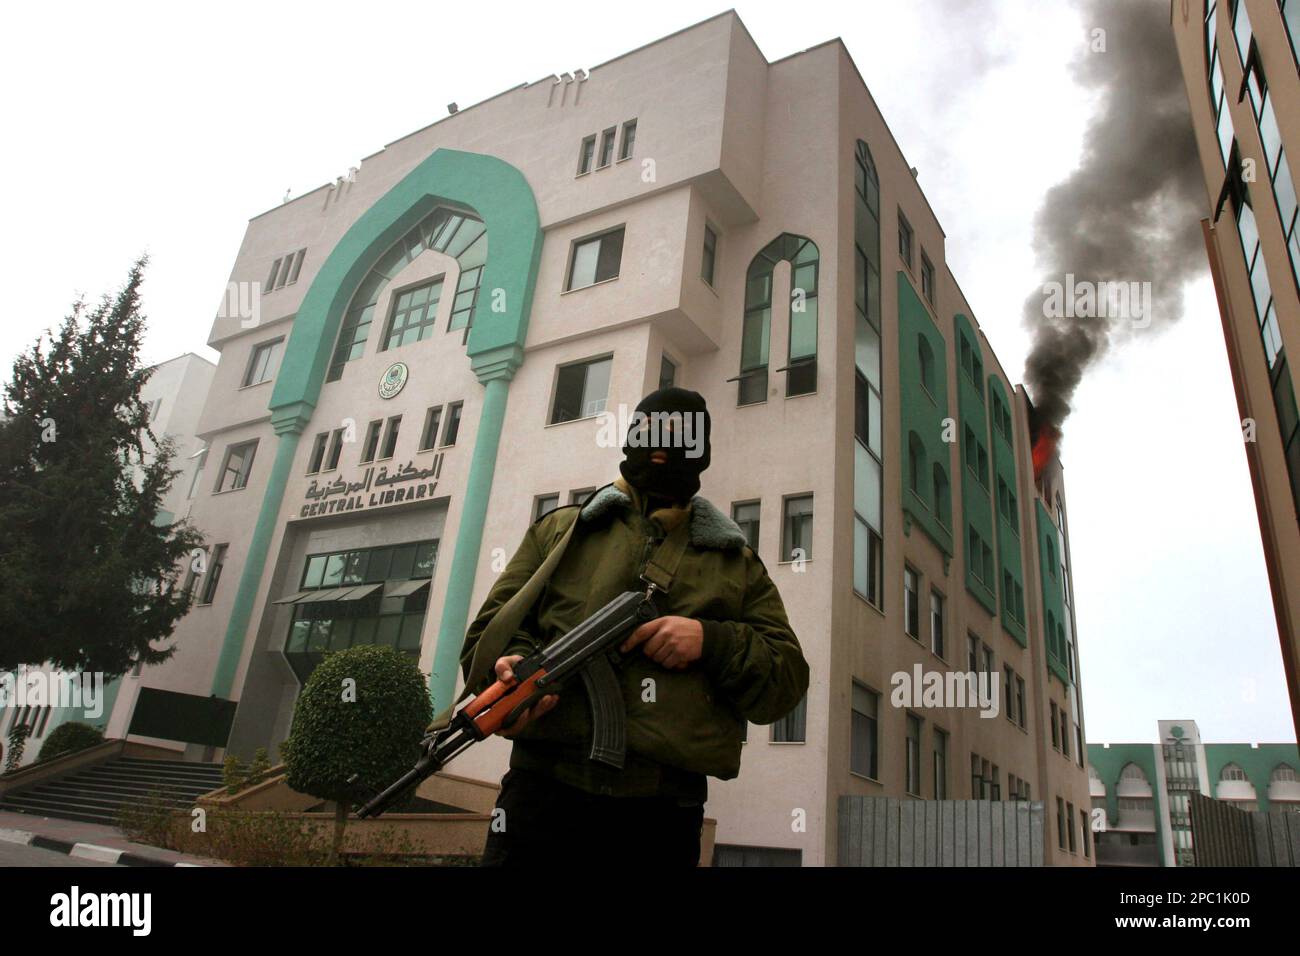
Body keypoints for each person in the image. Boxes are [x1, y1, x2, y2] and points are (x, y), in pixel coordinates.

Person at [459, 386, 809, 866]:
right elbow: (487, 639)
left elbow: (785, 682)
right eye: (652, 437)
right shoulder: (563, 532)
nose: (662, 453)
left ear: (700, 453)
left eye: (677, 440)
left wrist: (714, 641)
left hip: (661, 813)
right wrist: (511, 668)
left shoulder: (735, 563)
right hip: (542, 796)